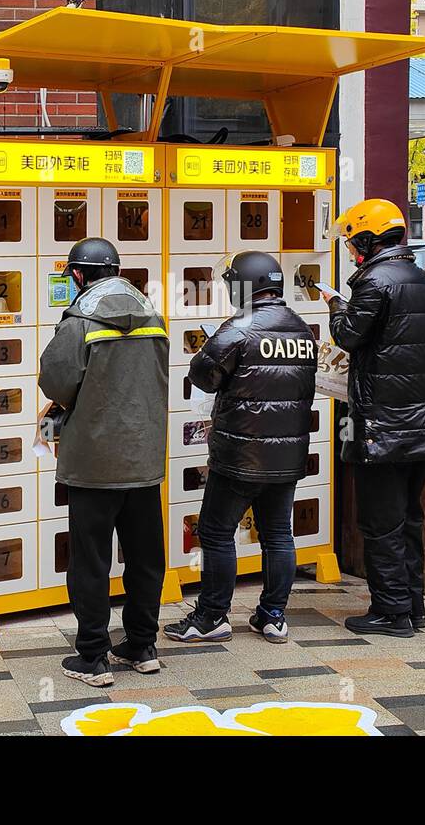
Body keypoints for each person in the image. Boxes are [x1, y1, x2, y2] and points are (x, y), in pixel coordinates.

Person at [164, 251, 317, 645]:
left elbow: (203, 375)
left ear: (242, 286)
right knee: (279, 535)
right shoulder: (301, 329)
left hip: (239, 457)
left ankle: (212, 617)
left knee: (216, 532)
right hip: (287, 456)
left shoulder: (239, 327)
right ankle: (273, 615)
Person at [38, 237, 169, 686]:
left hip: (94, 463)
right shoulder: (153, 315)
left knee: (91, 561)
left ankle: (92, 656)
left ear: (78, 275)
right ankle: (142, 646)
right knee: (146, 557)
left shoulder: (79, 322)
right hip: (144, 459)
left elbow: (55, 382)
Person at [322, 199, 425, 638]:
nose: (353, 250)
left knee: (380, 522)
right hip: (423, 424)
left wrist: (335, 303)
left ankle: (391, 613)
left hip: (381, 428)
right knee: (409, 519)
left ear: (368, 240)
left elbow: (349, 336)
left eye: (354, 242)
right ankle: (413, 607)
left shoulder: (375, 281)